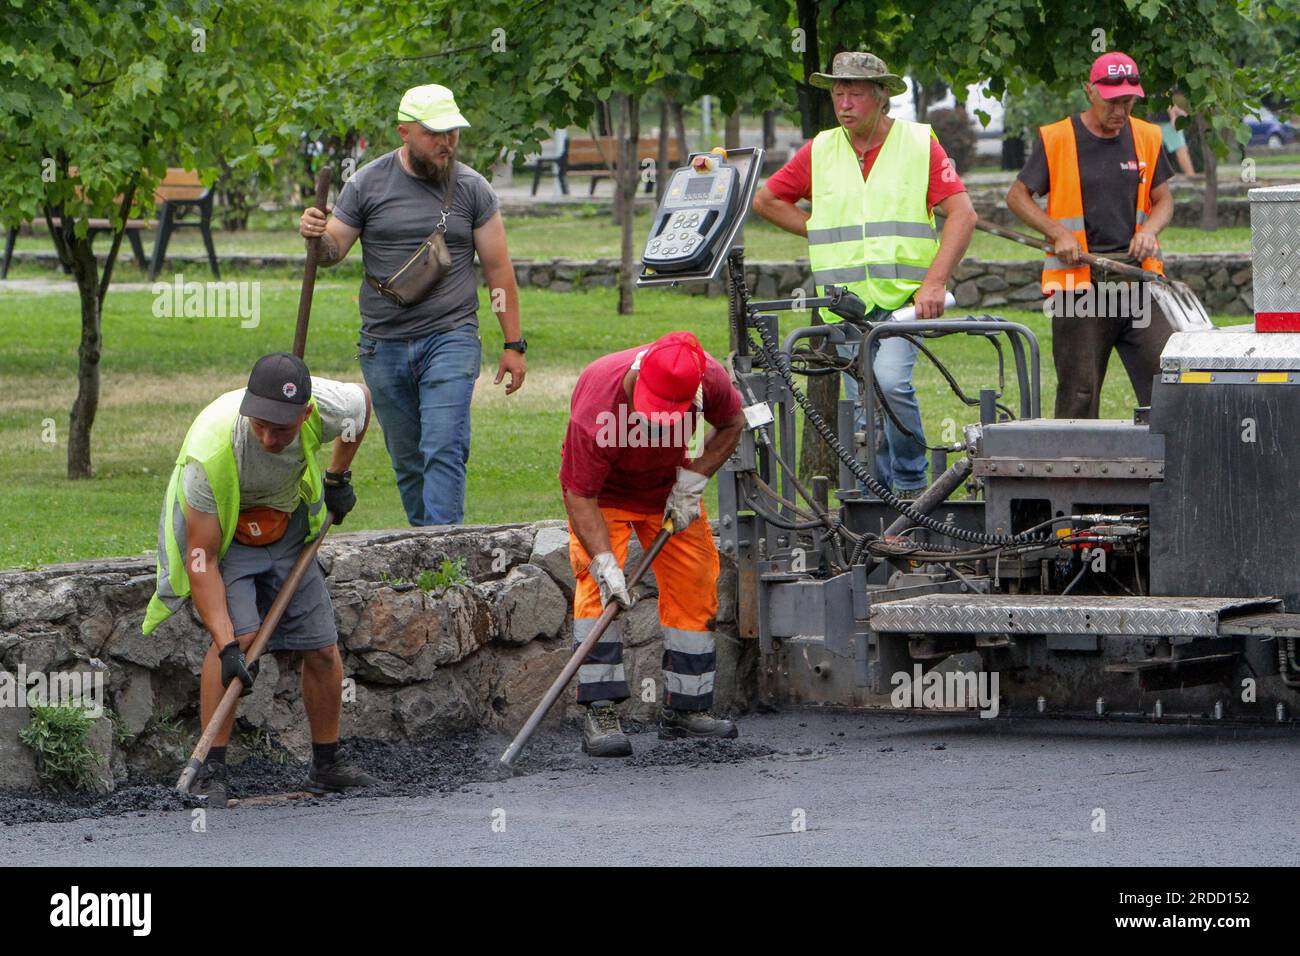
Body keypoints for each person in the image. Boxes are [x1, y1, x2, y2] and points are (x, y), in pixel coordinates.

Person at [142, 353, 376, 804]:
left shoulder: (328, 406)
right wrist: (228, 646)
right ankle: (211, 769)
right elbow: (201, 558)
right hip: (228, 537)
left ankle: (326, 766)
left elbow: (362, 406)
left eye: (282, 429)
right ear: (249, 408)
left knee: (323, 648)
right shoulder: (208, 453)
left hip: (288, 529)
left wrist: (337, 476)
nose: (269, 437)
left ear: (306, 415)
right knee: (243, 640)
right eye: (261, 424)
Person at [299, 83, 527, 525]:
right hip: (382, 345)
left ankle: (444, 550)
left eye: (452, 132)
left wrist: (513, 344)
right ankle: (426, 547)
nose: (447, 142)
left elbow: (499, 270)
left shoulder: (473, 189)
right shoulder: (367, 183)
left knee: (443, 445)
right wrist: (314, 235)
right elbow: (333, 251)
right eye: (434, 133)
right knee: (407, 457)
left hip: (451, 336)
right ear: (404, 131)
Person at [752, 51, 976, 498]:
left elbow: (963, 215)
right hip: (846, 305)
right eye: (838, 93)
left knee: (890, 383)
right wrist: (817, 231)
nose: (844, 102)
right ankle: (876, 497)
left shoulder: (917, 143)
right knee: (860, 406)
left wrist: (934, 282)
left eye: (855, 92)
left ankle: (912, 484)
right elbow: (766, 200)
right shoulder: (821, 149)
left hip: (903, 304)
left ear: (881, 98)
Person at [560, 331, 746, 756]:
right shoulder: (596, 399)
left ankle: (686, 710)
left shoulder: (711, 380)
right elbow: (579, 494)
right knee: (596, 589)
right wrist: (605, 561)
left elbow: (733, 424)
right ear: (639, 376)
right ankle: (600, 711)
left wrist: (694, 481)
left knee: (695, 585)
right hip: (603, 497)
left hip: (667, 493)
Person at [1005, 51, 1176, 418]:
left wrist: (1149, 230)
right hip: (1079, 289)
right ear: (1090, 91)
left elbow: (1164, 201)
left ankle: (1168, 469)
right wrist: (1058, 233)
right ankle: (1072, 474)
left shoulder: (1148, 136)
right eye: (1113, 101)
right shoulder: (1057, 138)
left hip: (1137, 282)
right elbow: (1017, 197)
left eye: (1128, 101)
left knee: (1168, 380)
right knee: (1079, 393)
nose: (1120, 110)